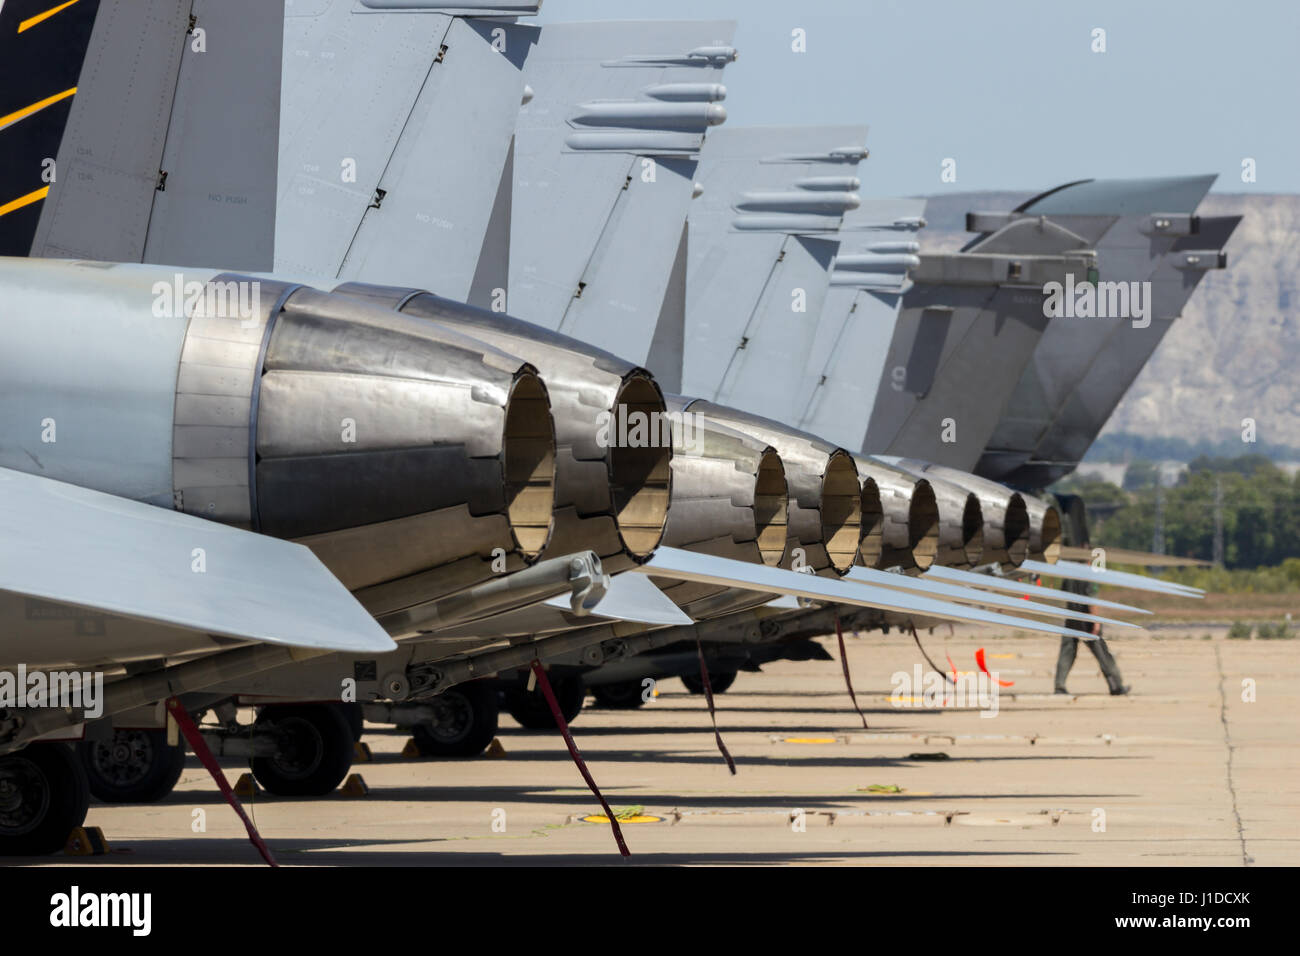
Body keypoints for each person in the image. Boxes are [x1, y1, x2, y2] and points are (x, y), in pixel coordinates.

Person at [1054, 575, 1130, 695]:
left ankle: (1059, 686)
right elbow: (1092, 600)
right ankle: (1115, 686)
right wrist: (1095, 621)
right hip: (1086, 620)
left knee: (1067, 653)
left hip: (1071, 617)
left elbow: (1062, 592)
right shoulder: (1088, 575)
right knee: (1102, 654)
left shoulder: (1068, 575)